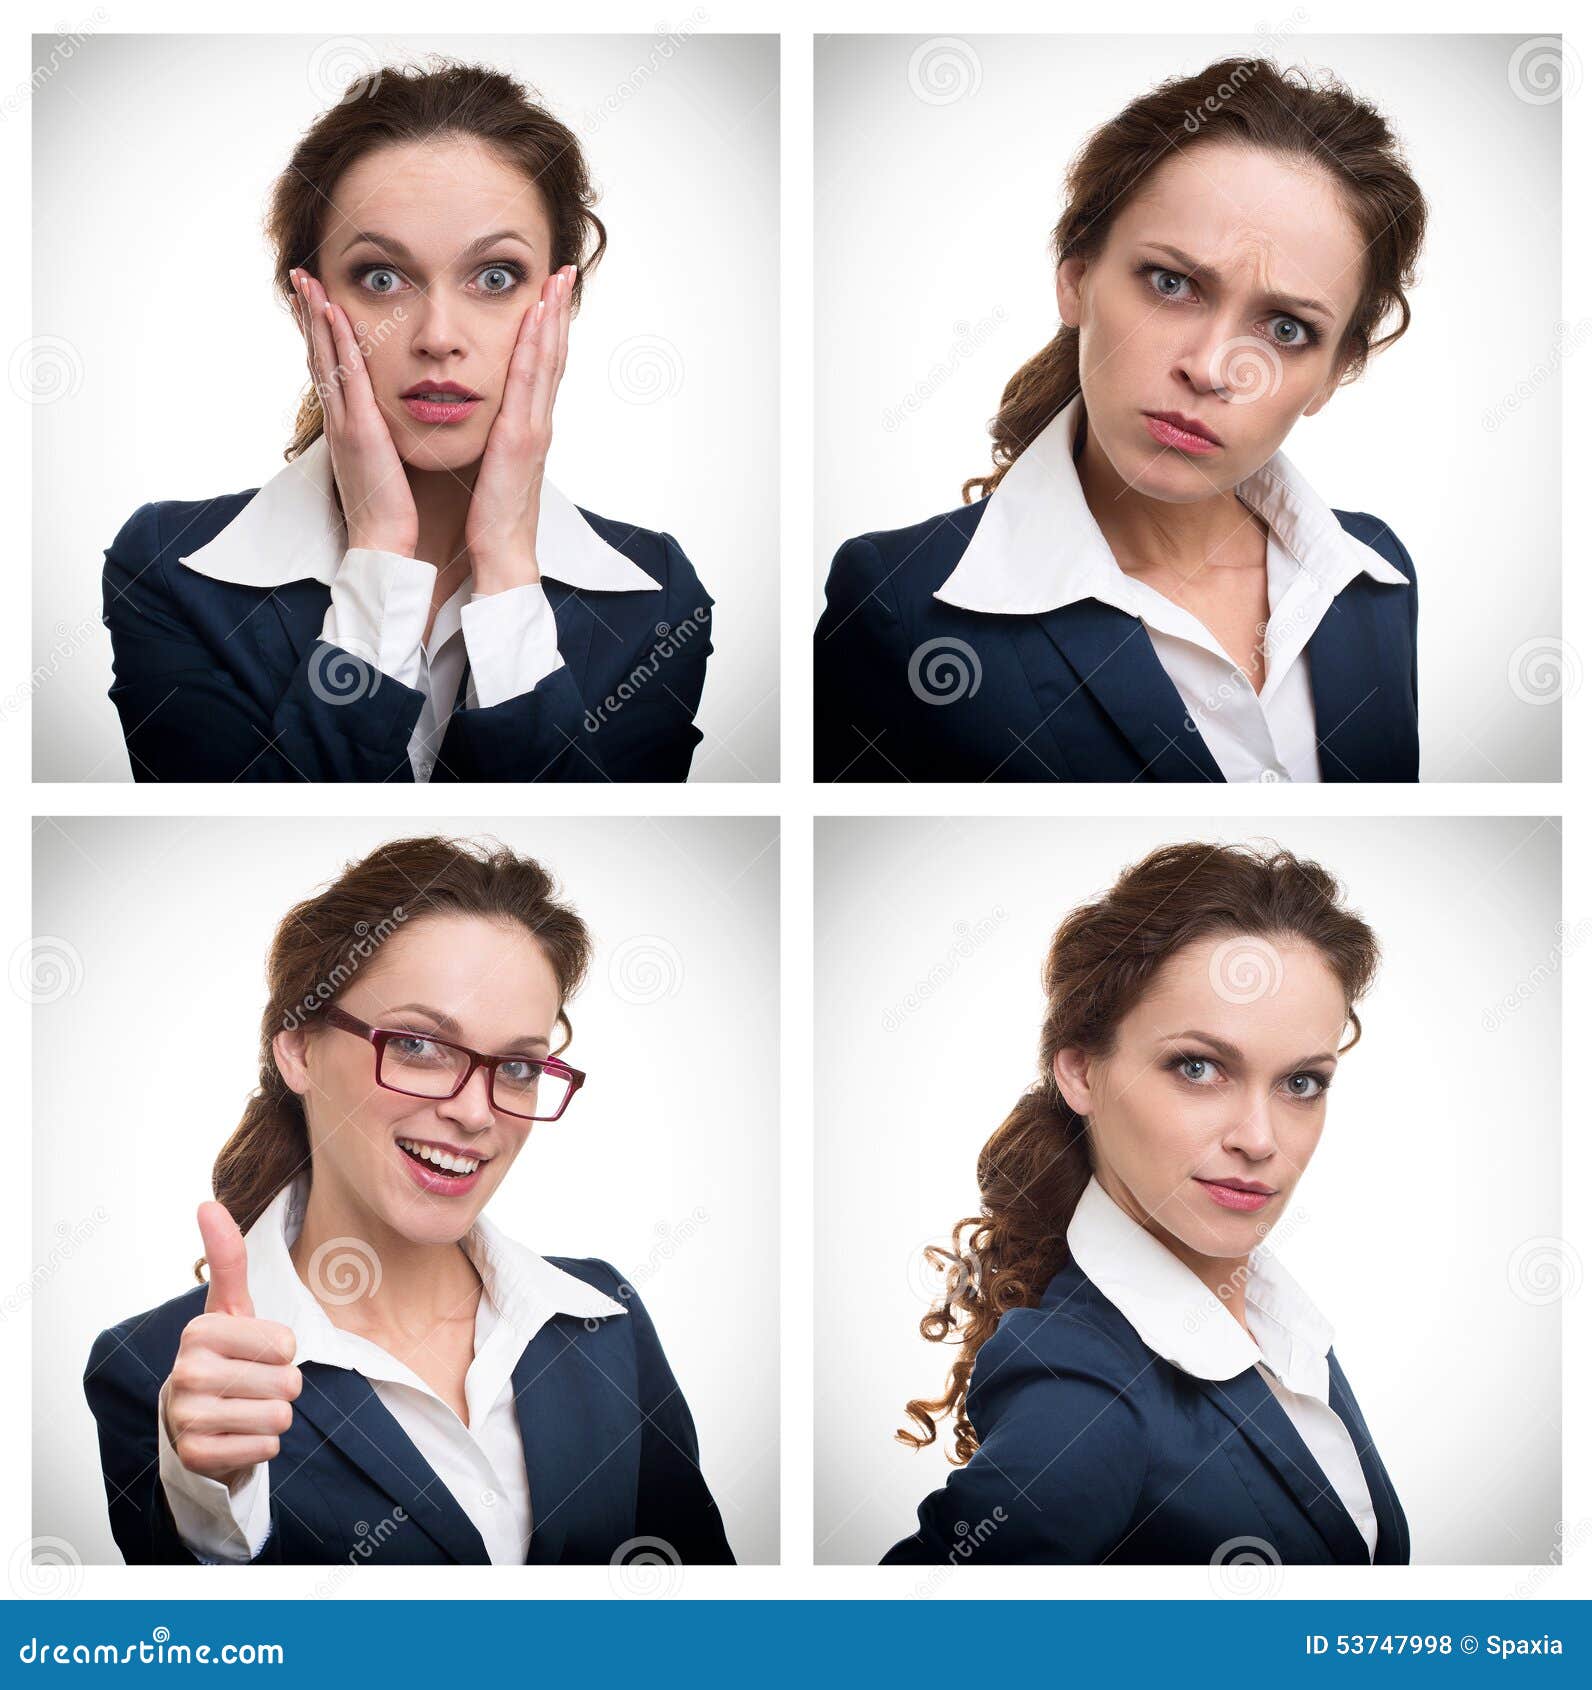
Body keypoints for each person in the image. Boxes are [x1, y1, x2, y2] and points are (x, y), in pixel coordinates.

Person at [84, 835, 733, 1564]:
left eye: (519, 1066)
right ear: (298, 1050)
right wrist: (210, 1499)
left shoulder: (603, 1318)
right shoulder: (160, 1369)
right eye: (419, 1046)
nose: (476, 1112)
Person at [816, 58, 1424, 783]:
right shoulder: (897, 605)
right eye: (1172, 283)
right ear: (1076, 277)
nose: (1211, 367)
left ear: (1334, 372)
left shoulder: (1374, 576)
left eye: (1287, 329)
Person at [104, 62, 712, 782]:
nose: (437, 336)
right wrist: (380, 553)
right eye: (381, 278)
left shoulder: (657, 598)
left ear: (562, 302)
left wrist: (507, 567)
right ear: (308, 308)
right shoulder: (168, 567)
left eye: (495, 277)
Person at [883, 840, 1409, 1564]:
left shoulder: (1274, 1318)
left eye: (1301, 1083)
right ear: (1080, 1072)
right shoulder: (1085, 1394)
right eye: (1198, 1068)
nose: (1260, 1139)